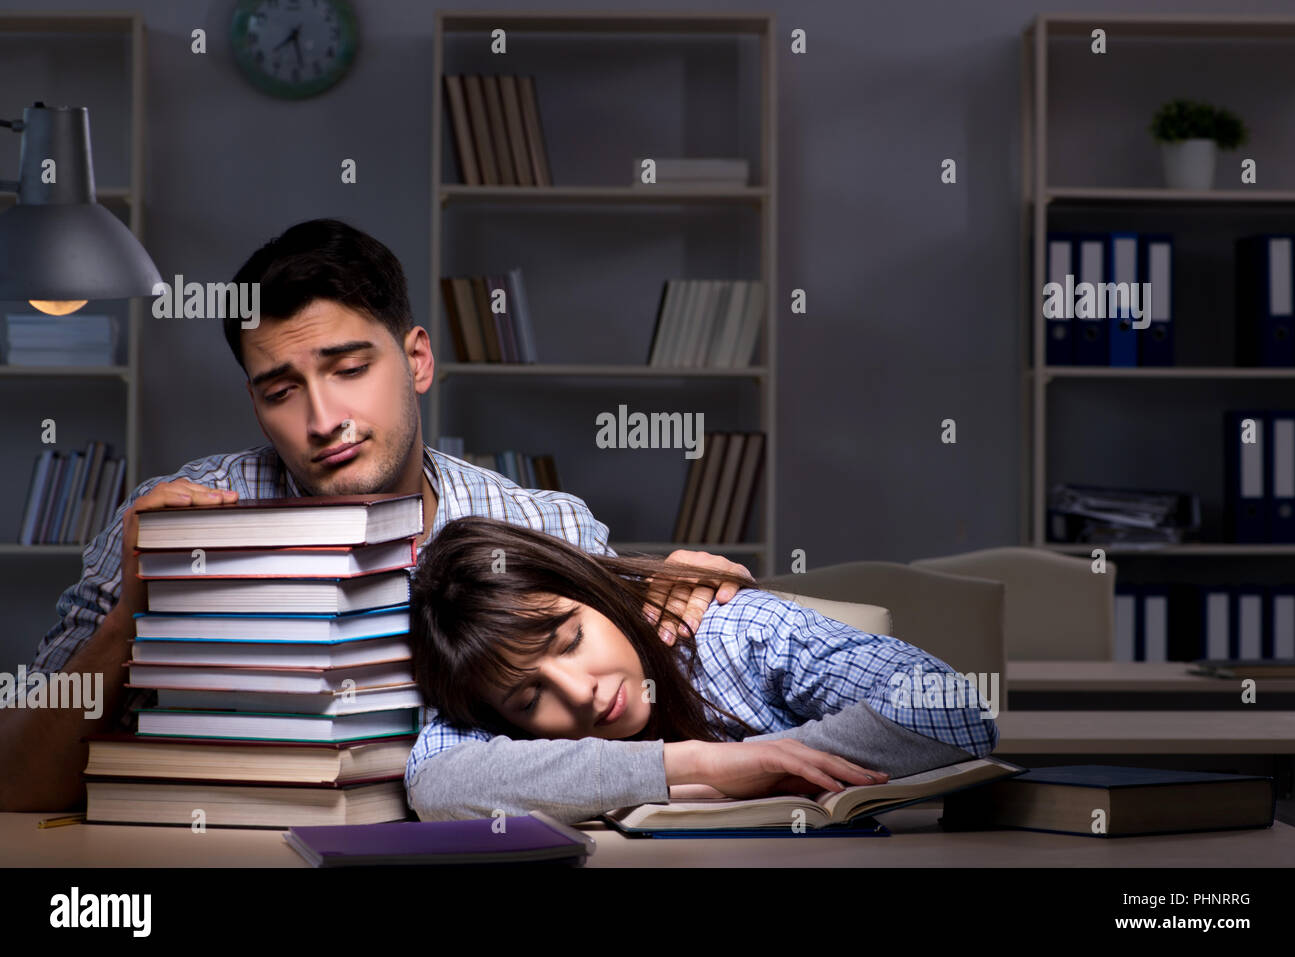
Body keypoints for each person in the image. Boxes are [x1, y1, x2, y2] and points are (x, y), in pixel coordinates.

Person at [0, 219, 750, 811]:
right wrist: (131, 615)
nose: (324, 418)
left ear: (418, 360)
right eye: (281, 390)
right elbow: (17, 784)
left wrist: (669, 603)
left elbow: (655, 726)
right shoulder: (169, 526)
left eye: (350, 368)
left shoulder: (540, 525)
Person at [405, 516, 1000, 825]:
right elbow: (436, 784)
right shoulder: (491, 704)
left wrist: (765, 762)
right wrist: (696, 763)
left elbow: (953, 708)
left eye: (570, 641)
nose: (579, 693)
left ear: (595, 591)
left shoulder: (730, 630)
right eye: (529, 700)